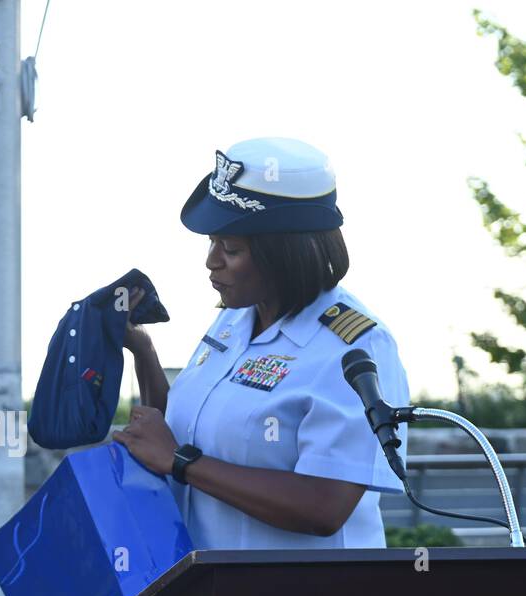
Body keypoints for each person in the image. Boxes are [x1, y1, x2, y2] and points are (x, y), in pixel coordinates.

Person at [113, 137, 410, 548]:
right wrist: (142, 350)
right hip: (204, 591)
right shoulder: (234, 319)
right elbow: (174, 433)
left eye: (231, 249)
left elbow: (324, 506)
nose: (212, 261)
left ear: (287, 255)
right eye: (212, 242)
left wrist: (184, 464)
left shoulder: (354, 347)